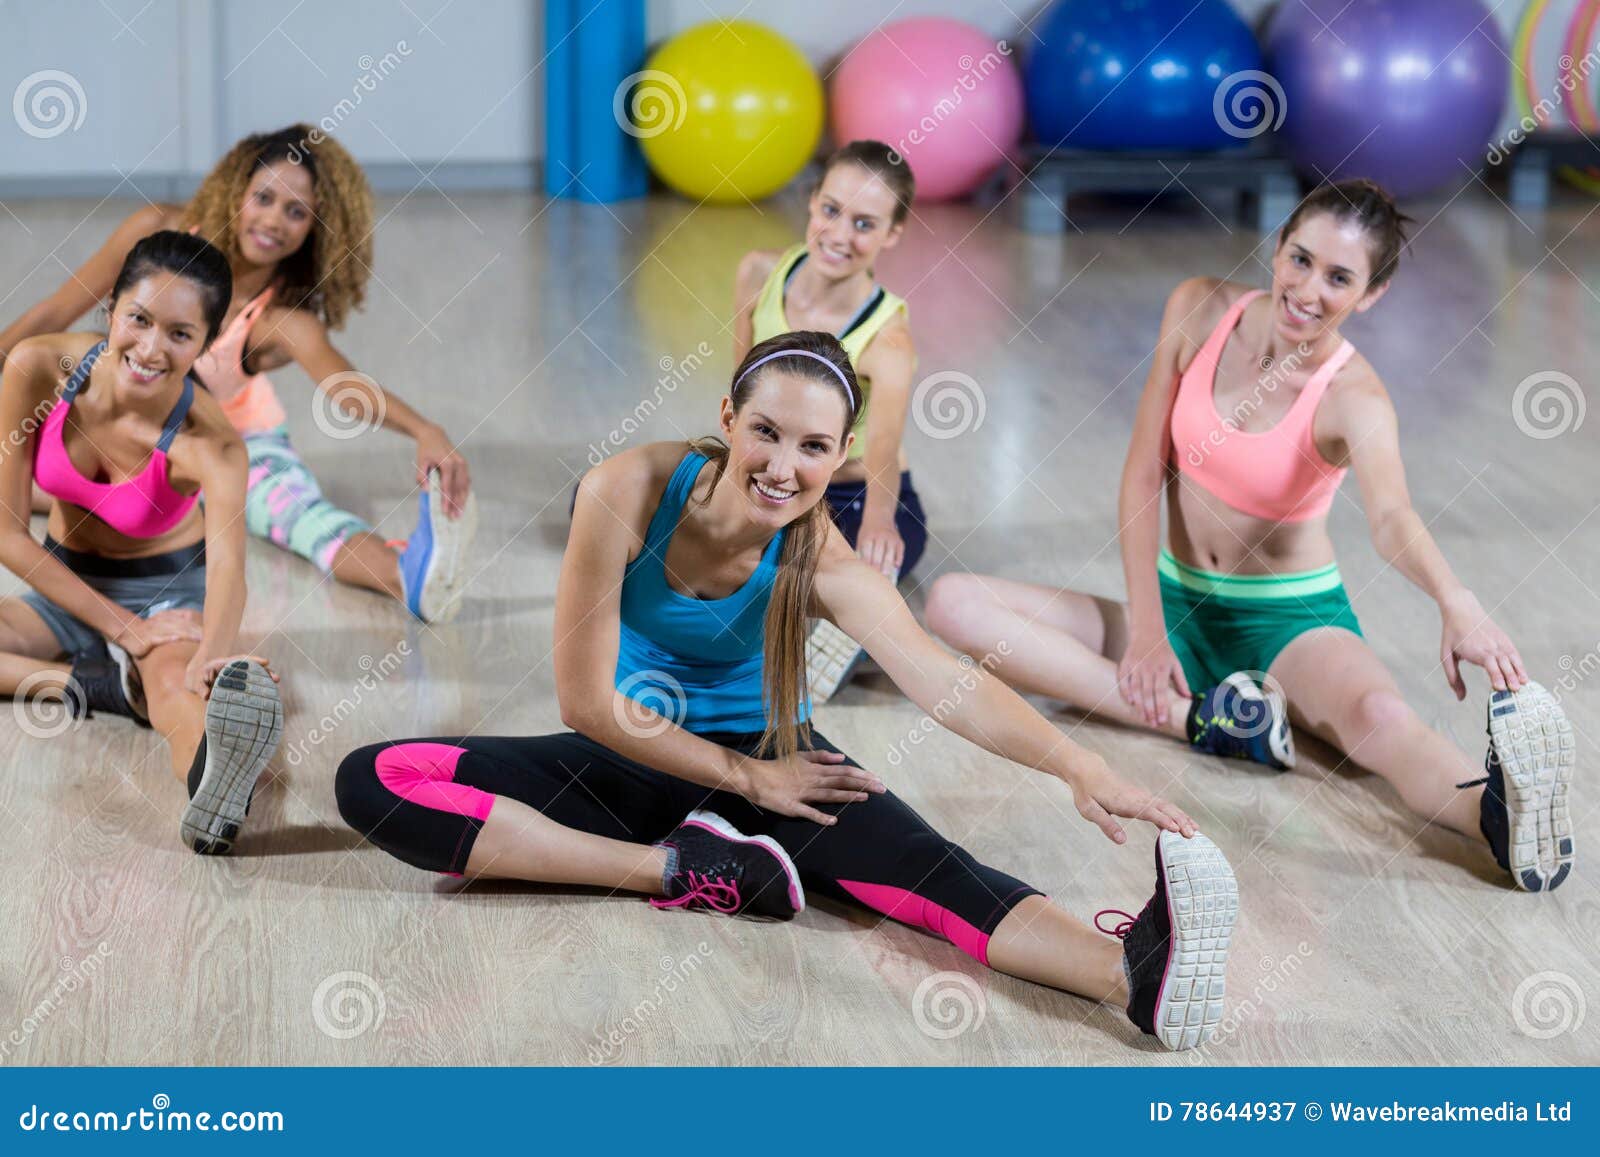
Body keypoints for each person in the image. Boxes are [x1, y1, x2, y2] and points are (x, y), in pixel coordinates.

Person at [337, 331, 1242, 1051]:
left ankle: (1130, 971)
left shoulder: (819, 554)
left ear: (841, 454)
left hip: (784, 767)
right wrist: (743, 782)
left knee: (940, 878)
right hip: (629, 755)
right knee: (373, 777)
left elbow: (937, 674)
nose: (783, 466)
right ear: (728, 416)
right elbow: (584, 702)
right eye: (767, 431)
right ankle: (690, 868)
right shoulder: (623, 490)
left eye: (814, 446)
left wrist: (1077, 764)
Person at [927, 180, 1575, 893]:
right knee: (954, 602)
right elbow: (1144, 472)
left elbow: (1392, 520)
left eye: (1339, 278)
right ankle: (1203, 721)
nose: (1307, 289)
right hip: (1173, 603)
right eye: (1300, 259)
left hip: (1286, 623)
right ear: (1277, 246)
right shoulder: (1200, 309)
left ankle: (1496, 813)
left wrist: (1458, 602)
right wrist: (1146, 628)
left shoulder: (1352, 396)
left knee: (1379, 720)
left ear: (1373, 293)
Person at [0, 125, 477, 622]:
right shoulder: (160, 232)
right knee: (37, 467)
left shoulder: (282, 321)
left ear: (319, 227)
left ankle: (407, 571)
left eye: (296, 212)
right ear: (235, 191)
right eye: (264, 198)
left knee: (301, 517)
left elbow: (345, 387)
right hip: (127, 417)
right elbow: (55, 312)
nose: (274, 220)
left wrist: (424, 430)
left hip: (222, 440)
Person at [0, 232, 282, 855]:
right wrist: (118, 629)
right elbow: (6, 535)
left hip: (164, 594)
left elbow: (231, 571)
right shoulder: (37, 368)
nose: (151, 349)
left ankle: (213, 788)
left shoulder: (214, 444)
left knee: (176, 696)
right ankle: (96, 685)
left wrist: (212, 654)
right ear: (111, 310)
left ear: (205, 345)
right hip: (63, 586)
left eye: (180, 334)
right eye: (139, 319)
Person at [731, 141, 927, 700]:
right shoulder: (760, 273)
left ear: (891, 234)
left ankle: (845, 621)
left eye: (865, 223)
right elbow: (740, 387)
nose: (840, 234)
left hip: (853, 496)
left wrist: (879, 529)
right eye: (831, 210)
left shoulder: (888, 339)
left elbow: (884, 447)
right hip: (767, 475)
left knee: (816, 576)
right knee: (601, 504)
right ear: (812, 202)